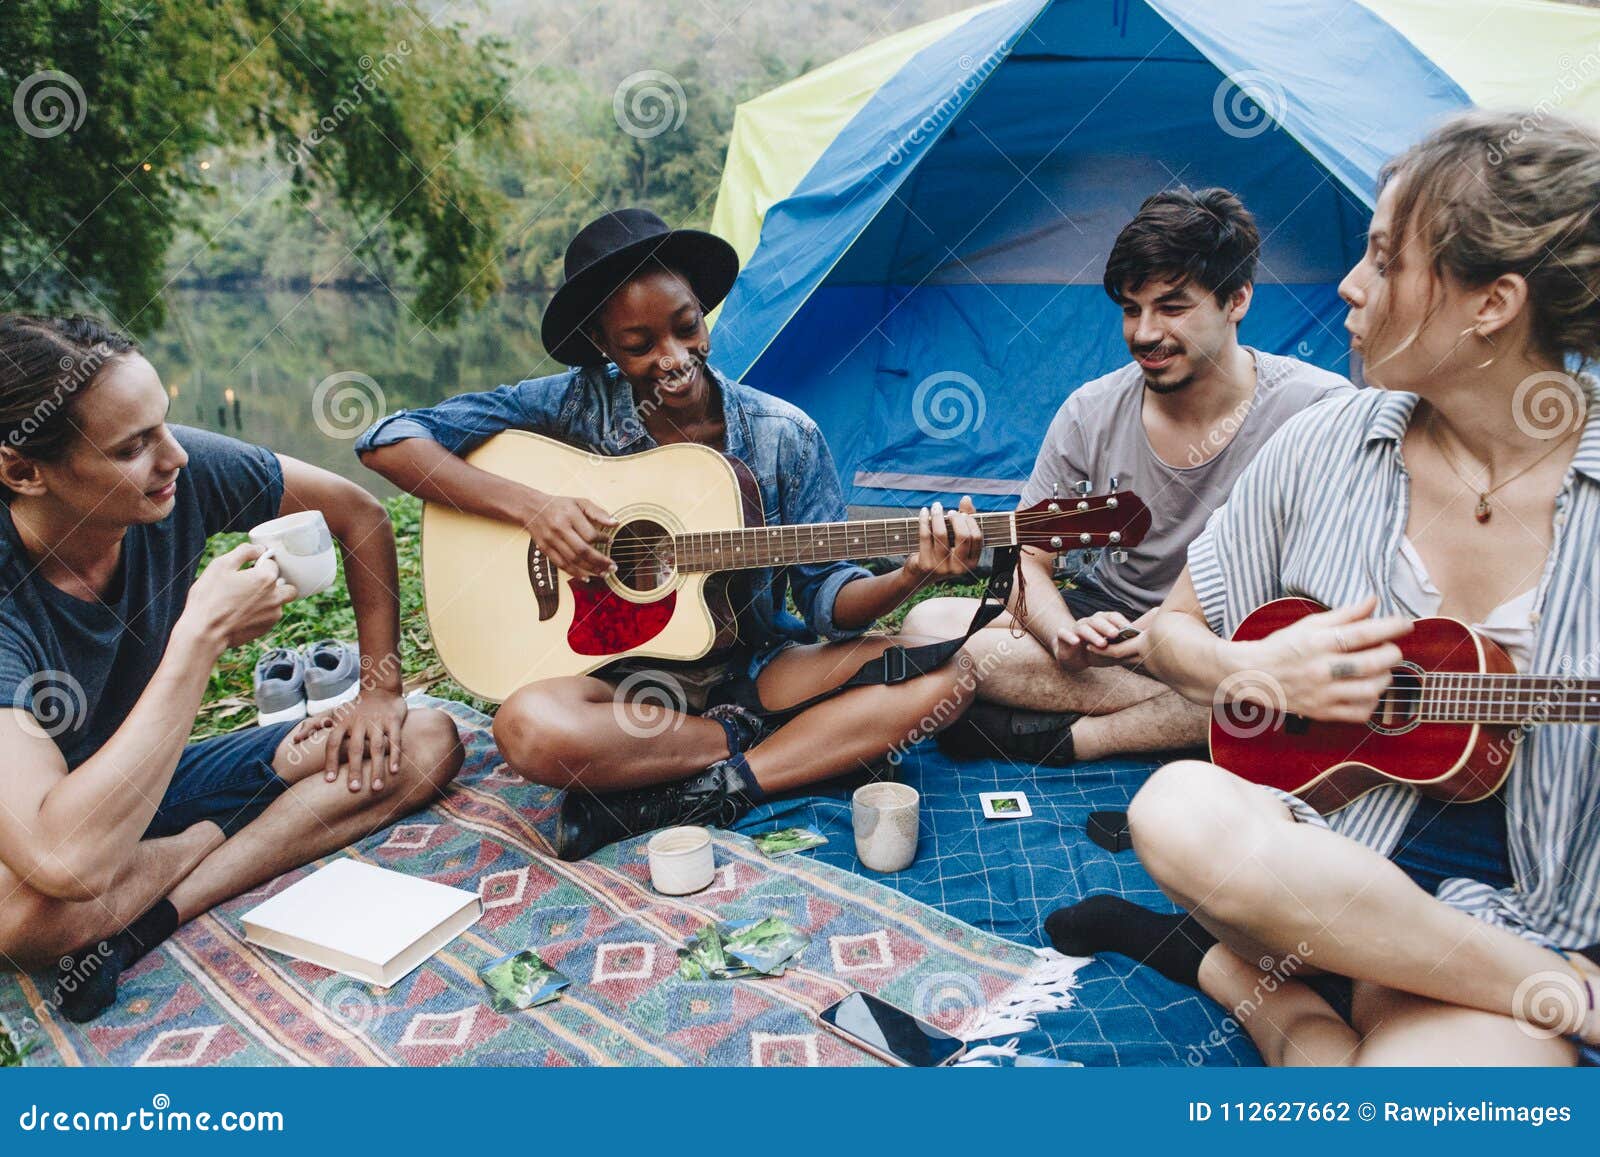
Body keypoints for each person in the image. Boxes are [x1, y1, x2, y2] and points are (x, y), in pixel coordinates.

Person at [1045, 112, 1600, 1064]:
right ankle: (1562, 1001)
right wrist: (1247, 668)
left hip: (1545, 899)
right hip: (1331, 861)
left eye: (1384, 261)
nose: (1349, 284)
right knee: (1176, 806)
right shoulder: (1324, 442)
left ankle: (1257, 986)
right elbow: (1173, 633)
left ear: (1492, 303)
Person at [358, 208, 981, 862]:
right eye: (639, 344)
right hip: (618, 683)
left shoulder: (783, 436)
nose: (674, 358)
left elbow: (829, 600)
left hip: (755, 671)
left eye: (687, 327)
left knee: (950, 675)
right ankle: (773, 750)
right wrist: (534, 508)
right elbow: (388, 441)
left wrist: (910, 575)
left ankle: (708, 786)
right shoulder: (575, 403)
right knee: (526, 729)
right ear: (602, 344)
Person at [0, 315, 465, 1022]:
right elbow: (66, 860)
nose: (174, 458)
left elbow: (361, 514)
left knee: (423, 742)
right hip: (47, 827)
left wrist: (381, 690)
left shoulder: (178, 471)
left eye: (165, 425)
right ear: (22, 470)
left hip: (143, 783)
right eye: (133, 446)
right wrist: (199, 639)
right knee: (25, 922)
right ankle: (209, 842)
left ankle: (145, 921)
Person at [905, 188, 1350, 766]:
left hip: (1230, 643)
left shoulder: (1320, 409)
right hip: (1106, 629)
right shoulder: (1091, 411)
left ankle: (1075, 738)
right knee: (925, 626)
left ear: (1237, 299)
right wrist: (1064, 634)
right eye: (1131, 309)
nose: (1143, 333)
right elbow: (1029, 561)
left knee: (1291, 676)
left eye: (1172, 307)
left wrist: (1197, 655)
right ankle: (1208, 720)